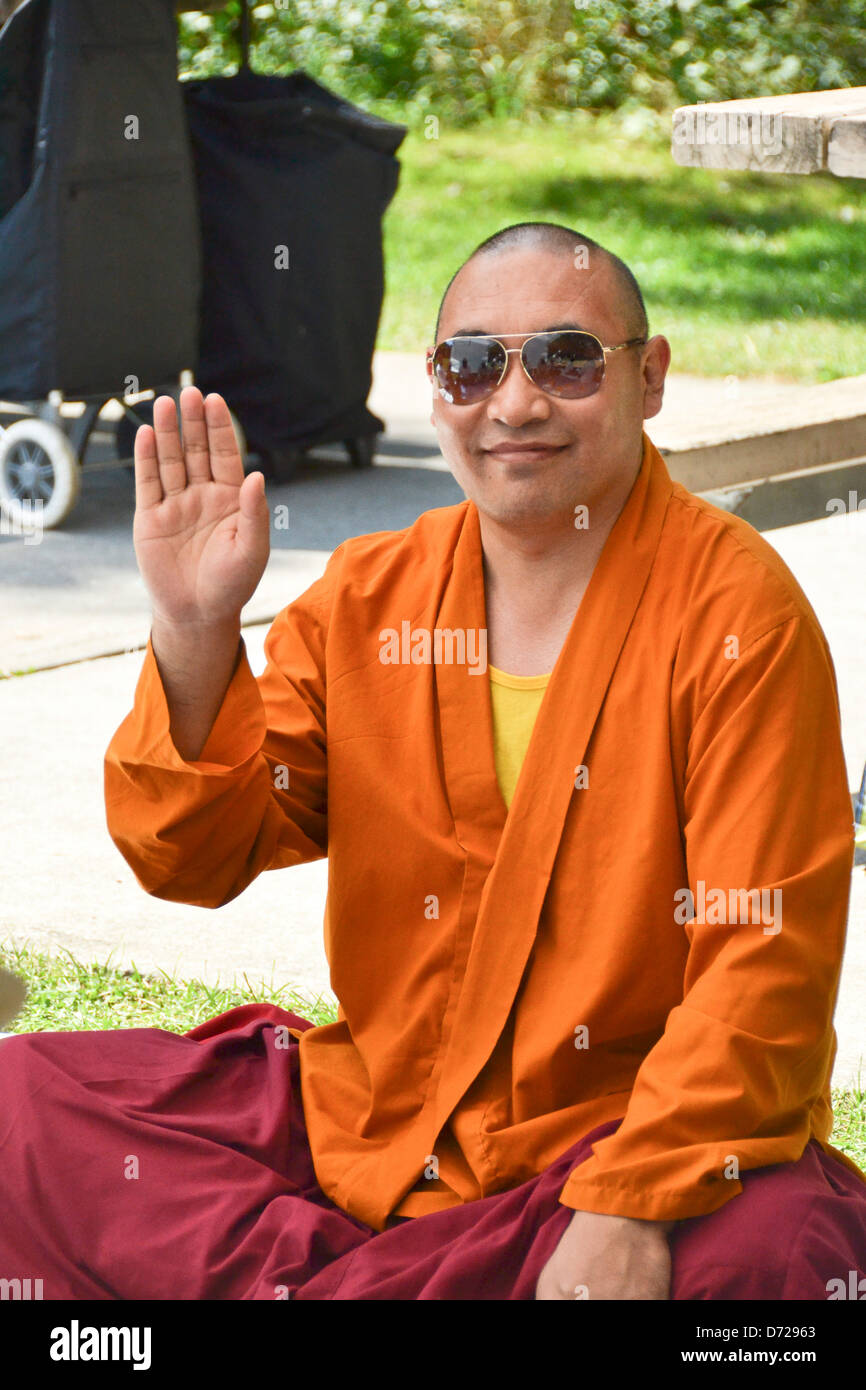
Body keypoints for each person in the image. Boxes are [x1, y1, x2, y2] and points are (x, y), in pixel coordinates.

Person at [1, 221, 865, 1301]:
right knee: (19, 1107)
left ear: (649, 378)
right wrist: (193, 631)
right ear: (434, 386)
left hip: (598, 1148)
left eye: (565, 358)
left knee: (768, 1254)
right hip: (368, 1124)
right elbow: (194, 857)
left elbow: (763, 966)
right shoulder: (374, 596)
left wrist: (631, 1200)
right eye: (471, 364)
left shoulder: (737, 615)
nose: (512, 404)